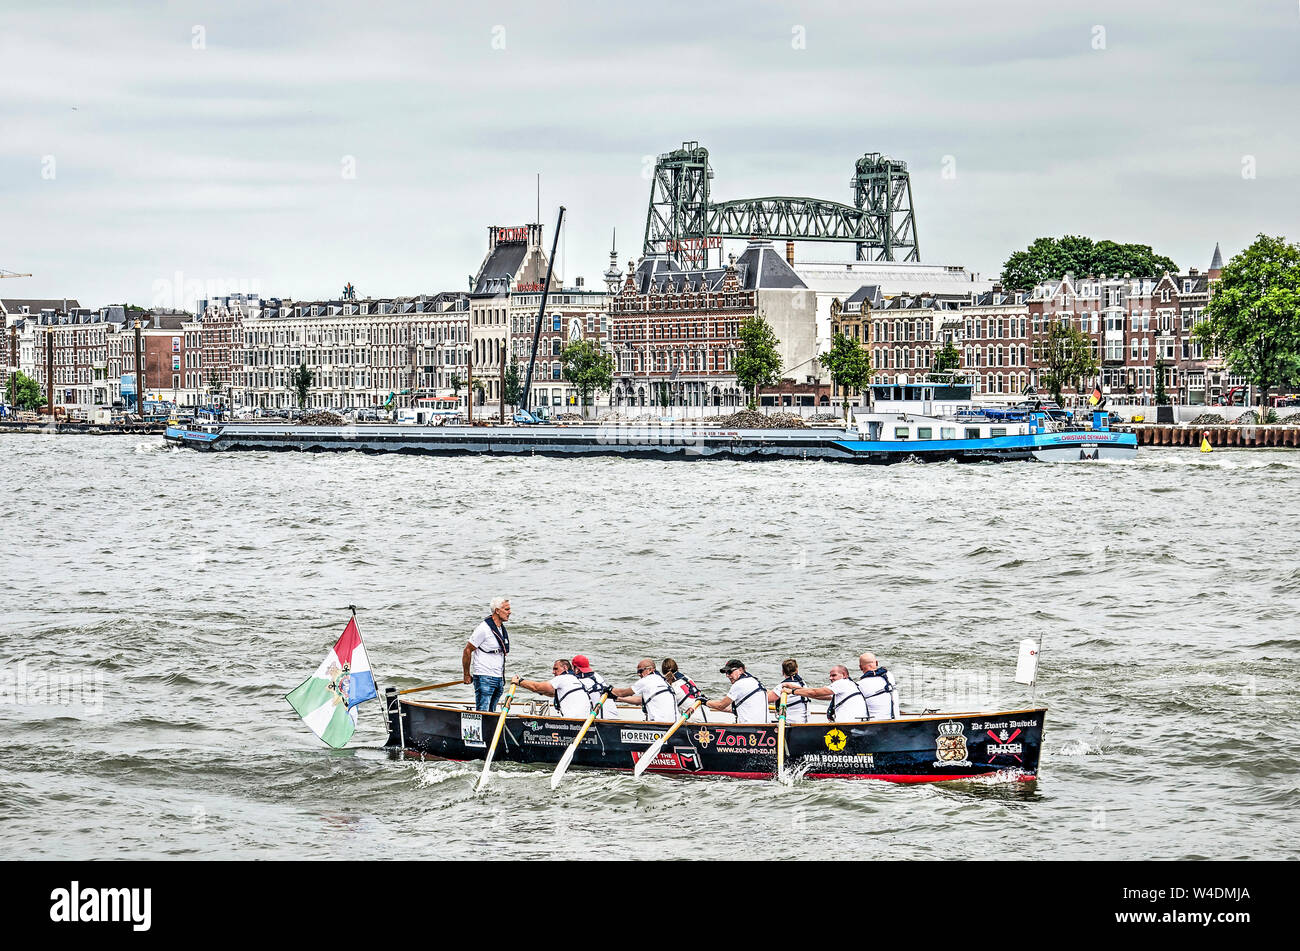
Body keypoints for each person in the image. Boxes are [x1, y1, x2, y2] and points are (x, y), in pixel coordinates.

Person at [461, 597, 511, 711]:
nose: (509, 612)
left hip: (498, 677)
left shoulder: (500, 629)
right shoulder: (483, 629)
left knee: (492, 713)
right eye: (507, 609)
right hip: (484, 676)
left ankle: (490, 729)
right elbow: (467, 650)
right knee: (483, 712)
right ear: (497, 611)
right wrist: (466, 674)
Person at [511, 660, 592, 718]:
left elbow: (536, 687)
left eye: (555, 669)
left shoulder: (562, 678)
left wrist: (519, 682)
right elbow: (551, 693)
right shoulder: (575, 679)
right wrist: (540, 691)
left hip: (572, 720)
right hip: (585, 719)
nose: (553, 672)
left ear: (565, 667)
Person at [788, 665, 869, 722]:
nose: (830, 678)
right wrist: (796, 688)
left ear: (844, 675)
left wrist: (791, 691)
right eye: (830, 676)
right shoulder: (850, 684)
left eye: (834, 675)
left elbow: (815, 693)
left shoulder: (842, 683)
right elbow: (820, 695)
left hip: (849, 725)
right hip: (856, 724)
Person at [610, 657, 678, 722]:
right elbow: (640, 700)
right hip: (675, 723)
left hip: (660, 724)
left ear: (650, 670)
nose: (639, 674)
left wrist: (609, 690)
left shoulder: (647, 680)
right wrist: (617, 698)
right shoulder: (662, 681)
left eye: (640, 671)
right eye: (637, 672)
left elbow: (623, 693)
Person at [705, 660, 769, 723]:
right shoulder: (754, 681)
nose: (727, 675)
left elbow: (721, 705)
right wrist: (709, 702)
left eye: (729, 672)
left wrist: (705, 702)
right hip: (765, 725)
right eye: (726, 673)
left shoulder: (739, 684)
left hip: (750, 728)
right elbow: (732, 708)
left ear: (740, 670)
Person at [661, 658, 708, 722]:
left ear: (663, 672)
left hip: (693, 720)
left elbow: (665, 709)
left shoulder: (670, 687)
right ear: (677, 668)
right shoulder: (687, 678)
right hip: (706, 715)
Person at [572, 654, 618, 719]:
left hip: (599, 719)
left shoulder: (578, 681)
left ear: (576, 669)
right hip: (614, 716)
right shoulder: (597, 675)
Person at [856, 652, 899, 719]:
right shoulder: (889, 675)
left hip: (874, 724)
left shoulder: (859, 684)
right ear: (876, 663)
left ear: (860, 667)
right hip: (895, 719)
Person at [767, 658, 809, 724]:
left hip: (789, 723)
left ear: (783, 672)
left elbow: (766, 699)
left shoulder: (782, 686)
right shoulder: (803, 684)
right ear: (797, 670)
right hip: (804, 721)